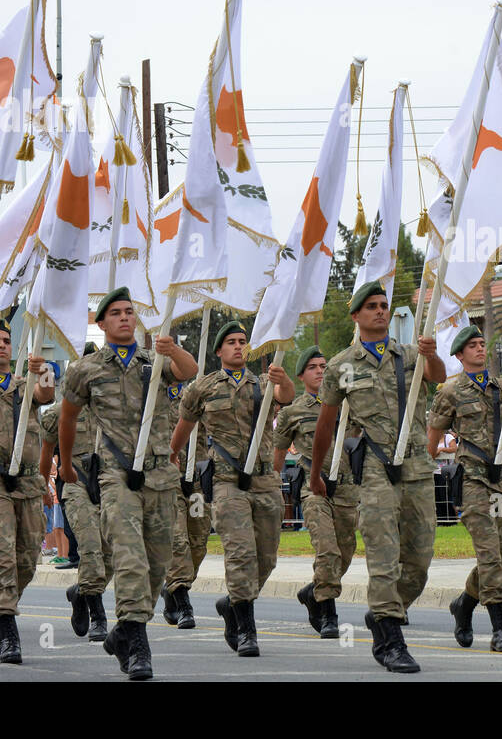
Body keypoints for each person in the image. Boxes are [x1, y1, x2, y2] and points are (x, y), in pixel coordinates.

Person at [57, 287, 198, 680]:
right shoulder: (86, 370)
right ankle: (136, 642)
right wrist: (66, 463)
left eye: (129, 312)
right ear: (102, 324)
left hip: (159, 475)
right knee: (130, 559)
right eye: (115, 313)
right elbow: (67, 418)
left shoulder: (153, 364)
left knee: (156, 565)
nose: (124, 317)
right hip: (116, 475)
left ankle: (122, 631)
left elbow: (189, 373)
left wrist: (174, 352)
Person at [310, 281, 445, 674]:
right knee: (383, 558)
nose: (380, 311)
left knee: (419, 561)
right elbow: (326, 423)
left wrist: (431, 354)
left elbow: (437, 376)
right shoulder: (341, 366)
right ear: (356, 316)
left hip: (417, 467)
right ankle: (388, 635)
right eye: (371, 306)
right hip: (375, 470)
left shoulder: (410, 355)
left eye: (384, 305)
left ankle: (387, 610)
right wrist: (317, 473)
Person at [172, 321, 291, 657]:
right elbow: (184, 427)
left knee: (266, 558)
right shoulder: (204, 387)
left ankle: (232, 603)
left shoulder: (265, 383)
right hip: (226, 482)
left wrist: (284, 381)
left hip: (265, 481)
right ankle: (247, 630)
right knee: (240, 553)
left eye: (243, 341)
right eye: (231, 342)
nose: (239, 347)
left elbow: (286, 396)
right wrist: (171, 460)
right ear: (219, 351)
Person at [428, 325, 502, 652]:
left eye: (482, 344)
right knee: (488, 550)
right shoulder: (450, 391)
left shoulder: (501, 387)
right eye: (472, 346)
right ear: (459, 355)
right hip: (472, 478)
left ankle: (465, 604)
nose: (479, 349)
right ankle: (500, 628)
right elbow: (433, 437)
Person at [0, 318, 53, 665]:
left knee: (27, 558)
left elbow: (46, 394)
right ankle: (8, 632)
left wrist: (45, 369)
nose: (2, 345)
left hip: (28, 482)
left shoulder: (25, 382)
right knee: (1, 553)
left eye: (6, 340)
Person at [276, 346, 359, 640]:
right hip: (315, 488)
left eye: (324, 365)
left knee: (345, 554)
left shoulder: (349, 405)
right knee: (327, 550)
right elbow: (277, 453)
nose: (321, 370)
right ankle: (328, 613)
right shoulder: (292, 413)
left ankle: (313, 592)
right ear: (301, 375)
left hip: (347, 488)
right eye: (313, 366)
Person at [39, 347, 112, 643]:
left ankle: (81, 592)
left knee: (110, 555)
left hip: (109, 483)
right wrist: (44, 487)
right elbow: (46, 454)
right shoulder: (59, 413)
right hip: (76, 482)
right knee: (91, 548)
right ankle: (98, 614)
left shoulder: (113, 410)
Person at [161, 374, 209, 630]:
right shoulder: (152, 395)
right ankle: (183, 602)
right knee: (177, 540)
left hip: (197, 481)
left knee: (198, 542)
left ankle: (172, 590)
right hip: (166, 480)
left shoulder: (197, 395)